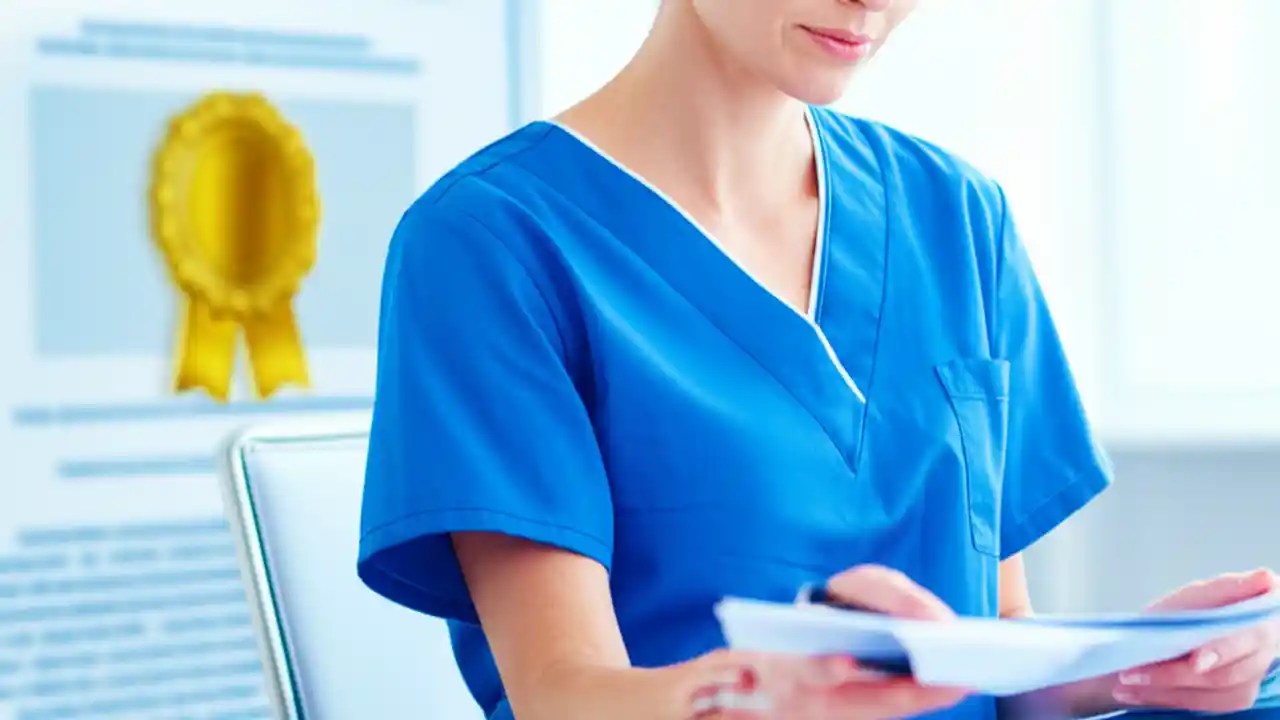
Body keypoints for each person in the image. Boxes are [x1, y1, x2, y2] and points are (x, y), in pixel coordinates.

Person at [356, 1, 1280, 718]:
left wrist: (1132, 664)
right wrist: (754, 696)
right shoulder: (493, 243)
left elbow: (996, 651)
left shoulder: (957, 217)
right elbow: (563, 692)